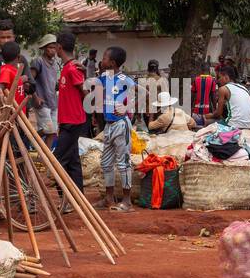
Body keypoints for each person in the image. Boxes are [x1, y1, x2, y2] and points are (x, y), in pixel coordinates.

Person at [96, 46, 135, 211]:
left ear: (112, 62)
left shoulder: (125, 80)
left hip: (121, 124)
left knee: (123, 162)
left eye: (104, 57)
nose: (102, 60)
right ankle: (109, 198)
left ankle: (127, 201)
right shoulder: (105, 77)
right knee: (106, 162)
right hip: (109, 125)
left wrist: (127, 108)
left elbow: (139, 94)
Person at [53, 31, 87, 198]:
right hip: (69, 120)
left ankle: (65, 198)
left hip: (72, 121)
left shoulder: (73, 68)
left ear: (59, 47)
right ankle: (78, 197)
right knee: (73, 160)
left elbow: (86, 94)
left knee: (57, 161)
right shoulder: (67, 68)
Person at [31, 36, 62, 147]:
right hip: (42, 102)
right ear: (44, 48)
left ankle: (46, 157)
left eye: (55, 48)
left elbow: (54, 82)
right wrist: (36, 97)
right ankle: (31, 137)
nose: (53, 50)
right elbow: (30, 82)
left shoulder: (55, 63)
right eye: (50, 47)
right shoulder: (38, 61)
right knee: (48, 129)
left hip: (53, 102)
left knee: (52, 132)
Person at [212, 62, 250, 130]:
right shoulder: (244, 88)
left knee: (207, 122)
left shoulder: (223, 89)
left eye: (219, 77)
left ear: (226, 77)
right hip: (248, 125)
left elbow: (218, 113)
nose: (218, 81)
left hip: (233, 125)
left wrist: (207, 116)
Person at [138, 59, 168, 130]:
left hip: (146, 110)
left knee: (150, 131)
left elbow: (140, 97)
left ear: (148, 68)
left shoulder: (142, 80)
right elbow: (166, 96)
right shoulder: (162, 80)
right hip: (159, 110)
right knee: (158, 132)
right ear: (157, 68)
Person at [0, 41, 28, 106]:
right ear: (19, 57)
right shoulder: (6, 70)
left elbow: (12, 85)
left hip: (19, 111)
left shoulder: (14, 71)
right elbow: (0, 88)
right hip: (11, 112)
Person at [190, 63, 219, 128]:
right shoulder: (212, 80)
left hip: (196, 111)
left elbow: (192, 95)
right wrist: (215, 109)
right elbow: (213, 97)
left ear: (201, 70)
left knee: (196, 130)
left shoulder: (196, 79)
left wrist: (191, 108)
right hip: (207, 112)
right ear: (209, 70)